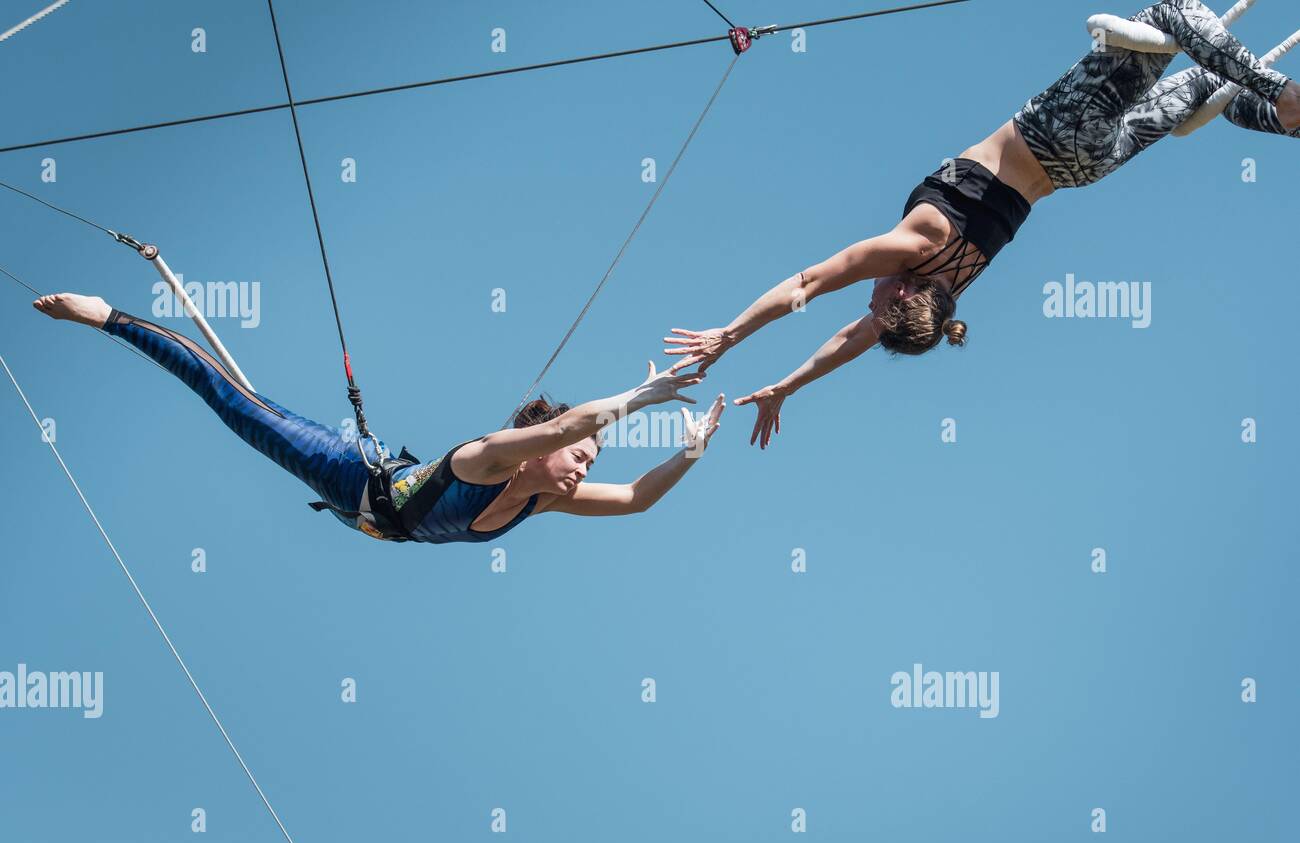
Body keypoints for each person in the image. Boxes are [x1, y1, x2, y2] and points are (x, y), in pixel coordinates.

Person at [662, 1, 1300, 448]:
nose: (869, 302)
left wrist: (786, 387)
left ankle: (1283, 119)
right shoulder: (919, 244)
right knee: (1173, 13)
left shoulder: (949, 291)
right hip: (1060, 130)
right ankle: (1278, 91)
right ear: (904, 294)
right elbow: (805, 286)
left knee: (1192, 96)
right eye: (882, 303)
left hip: (1084, 170)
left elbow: (848, 342)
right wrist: (730, 335)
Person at [32, 293, 724, 543]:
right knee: (232, 403)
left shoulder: (540, 503)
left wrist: (688, 456)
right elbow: (561, 431)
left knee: (238, 405)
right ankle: (111, 317)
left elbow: (635, 500)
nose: (584, 467)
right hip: (348, 476)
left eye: (590, 463)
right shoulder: (488, 458)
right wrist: (637, 401)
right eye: (583, 455)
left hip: (372, 522)